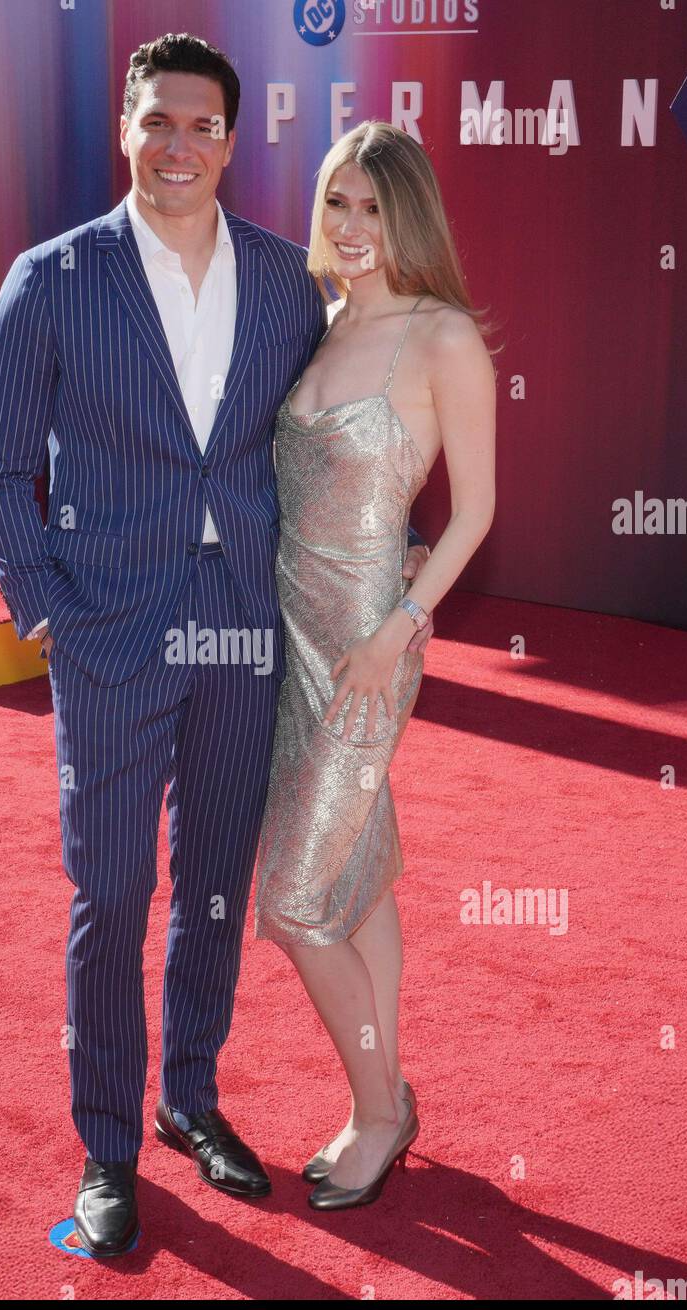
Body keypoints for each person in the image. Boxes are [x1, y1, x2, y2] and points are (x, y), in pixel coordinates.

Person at [0, 36, 431, 1257]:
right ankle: (107, 1145)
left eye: (204, 127)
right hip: (109, 635)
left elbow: (343, 430)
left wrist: (400, 554)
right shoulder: (53, 279)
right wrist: (51, 609)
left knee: (216, 885)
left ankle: (190, 1097)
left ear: (233, 140)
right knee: (111, 893)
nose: (180, 147)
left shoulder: (287, 281)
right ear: (126, 128)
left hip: (245, 631)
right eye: (159, 122)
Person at [254, 121, 497, 1210]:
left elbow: (477, 510)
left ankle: (377, 1108)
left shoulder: (440, 337)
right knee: (353, 874)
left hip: (361, 647)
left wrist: (399, 623)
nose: (349, 228)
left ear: (409, 216)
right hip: (282, 636)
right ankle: (386, 1089)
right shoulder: (323, 322)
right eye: (334, 204)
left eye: (369, 208)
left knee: (294, 899)